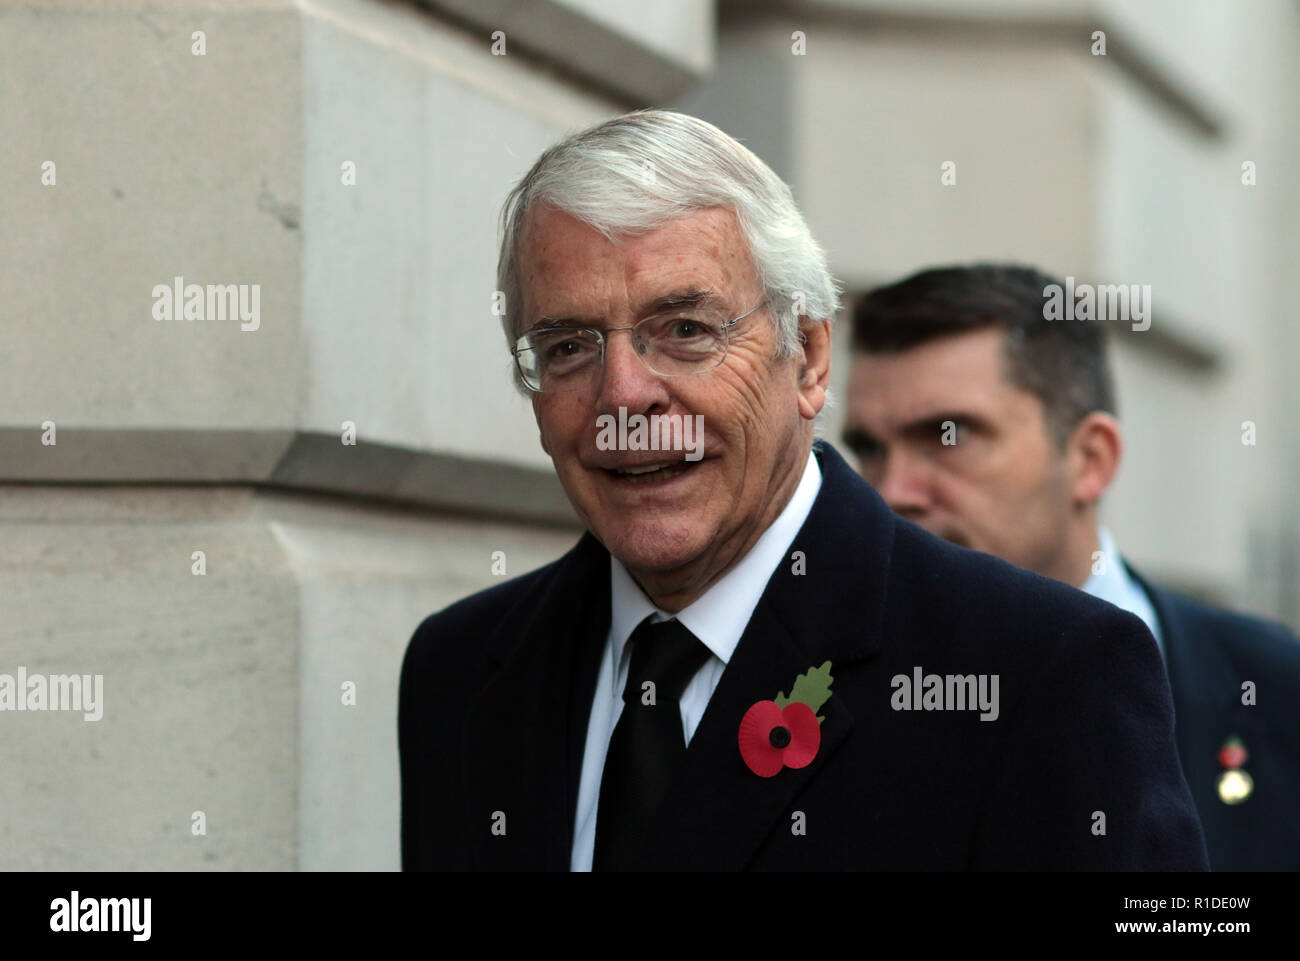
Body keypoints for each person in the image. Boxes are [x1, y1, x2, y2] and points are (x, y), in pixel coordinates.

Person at [399, 112, 1208, 871]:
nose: (624, 396)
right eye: (568, 345)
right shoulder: (462, 670)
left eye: (686, 330)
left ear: (811, 357)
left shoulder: (1041, 672)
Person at [843, 263, 1300, 871]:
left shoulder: (1271, 685)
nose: (892, 490)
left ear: (1090, 460)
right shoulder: (828, 688)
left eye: (948, 436)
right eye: (869, 449)